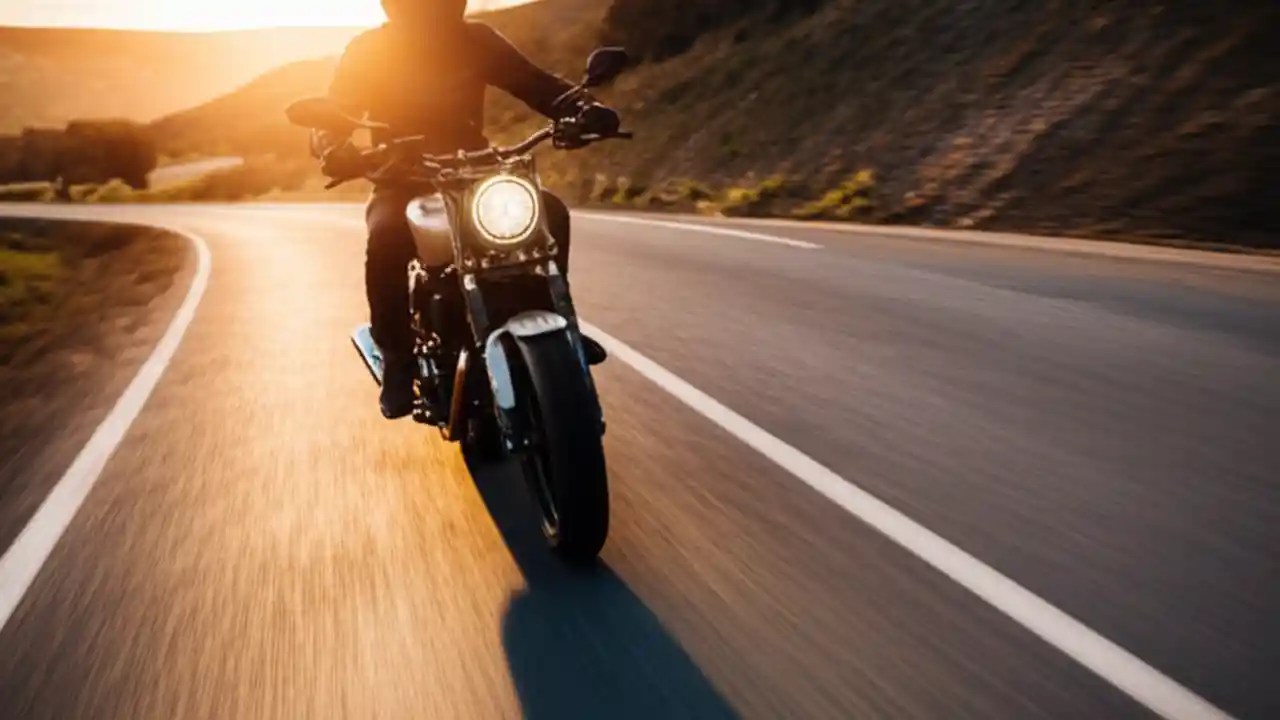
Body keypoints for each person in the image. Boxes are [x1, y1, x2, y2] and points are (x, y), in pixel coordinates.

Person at [315, 0, 621, 419]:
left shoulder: (475, 39)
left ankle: (557, 323)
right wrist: (333, 147)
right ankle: (399, 361)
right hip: (401, 179)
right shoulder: (370, 49)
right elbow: (334, 112)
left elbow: (535, 83)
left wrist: (580, 109)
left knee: (550, 211)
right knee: (386, 236)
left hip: (476, 171)